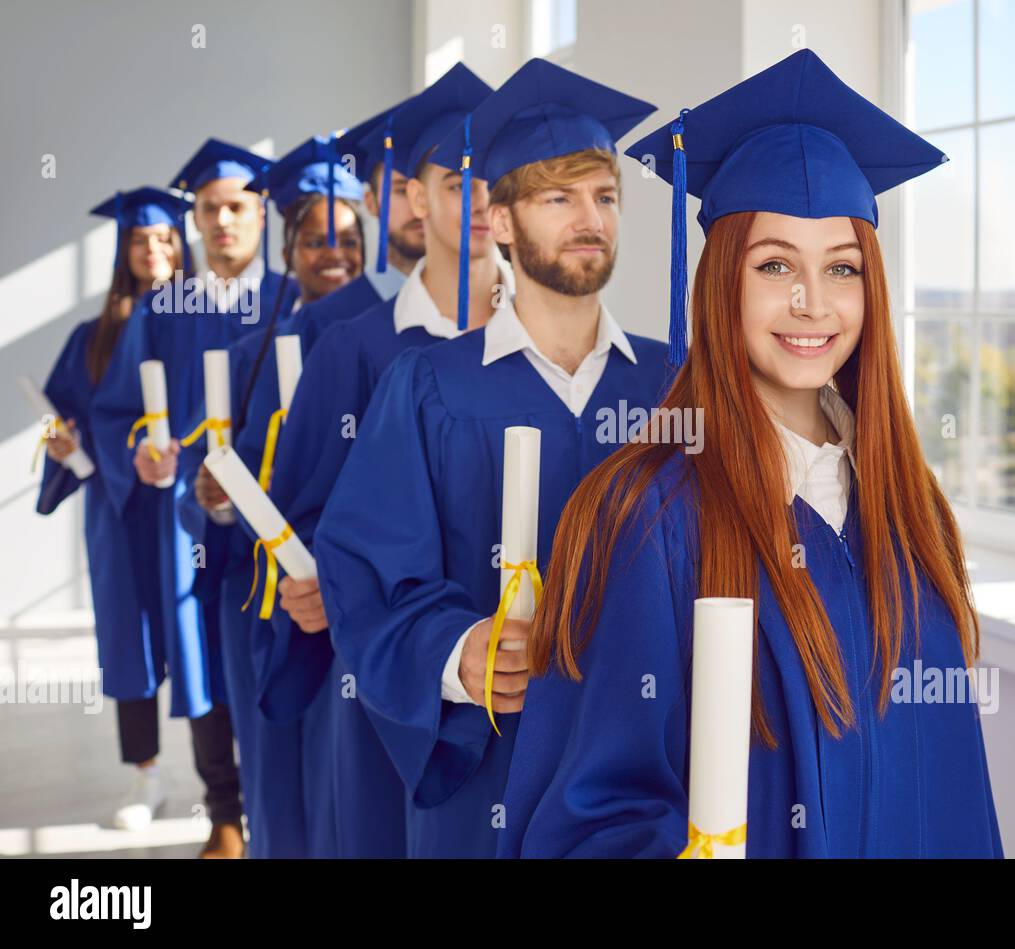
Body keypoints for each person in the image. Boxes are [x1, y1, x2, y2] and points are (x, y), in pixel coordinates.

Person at [498, 49, 1004, 858]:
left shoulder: (909, 506)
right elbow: (593, 816)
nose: (813, 302)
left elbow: (952, 787)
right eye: (775, 265)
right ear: (720, 282)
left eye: (841, 267)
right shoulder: (644, 518)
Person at [311, 58, 669, 858]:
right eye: (558, 197)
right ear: (500, 221)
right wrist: (454, 652)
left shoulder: (676, 384)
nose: (591, 218)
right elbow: (367, 572)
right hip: (489, 773)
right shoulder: (428, 385)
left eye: (605, 196)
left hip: (645, 780)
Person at [261, 63, 496, 859]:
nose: (478, 195)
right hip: (380, 683)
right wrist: (317, 578)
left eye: (495, 176)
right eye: (454, 178)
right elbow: (303, 509)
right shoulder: (353, 348)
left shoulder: (562, 355)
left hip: (522, 682)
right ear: (412, 197)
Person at [90, 140, 297, 859]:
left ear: (261, 212)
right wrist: (143, 450)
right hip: (194, 520)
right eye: (209, 209)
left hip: (284, 520)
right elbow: (117, 410)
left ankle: (284, 816)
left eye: (237, 206)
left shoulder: (294, 300)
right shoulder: (163, 310)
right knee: (203, 658)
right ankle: (226, 814)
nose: (223, 221)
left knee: (281, 656)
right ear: (197, 221)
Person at [38, 187, 243, 857]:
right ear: (122, 253)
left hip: (183, 505)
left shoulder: (202, 317)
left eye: (163, 238)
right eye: (139, 241)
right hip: (119, 507)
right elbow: (77, 416)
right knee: (128, 640)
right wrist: (77, 451)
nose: (153, 250)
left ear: (181, 244)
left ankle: (223, 800)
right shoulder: (91, 338)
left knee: (194, 640)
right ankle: (145, 778)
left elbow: (225, 404)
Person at [184, 135, 367, 858]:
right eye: (316, 239)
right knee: (277, 787)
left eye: (349, 239)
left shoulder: (396, 349)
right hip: (260, 610)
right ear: (288, 250)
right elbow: (203, 494)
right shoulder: (245, 357)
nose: (334, 253)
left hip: (353, 606)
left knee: (348, 786)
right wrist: (214, 499)